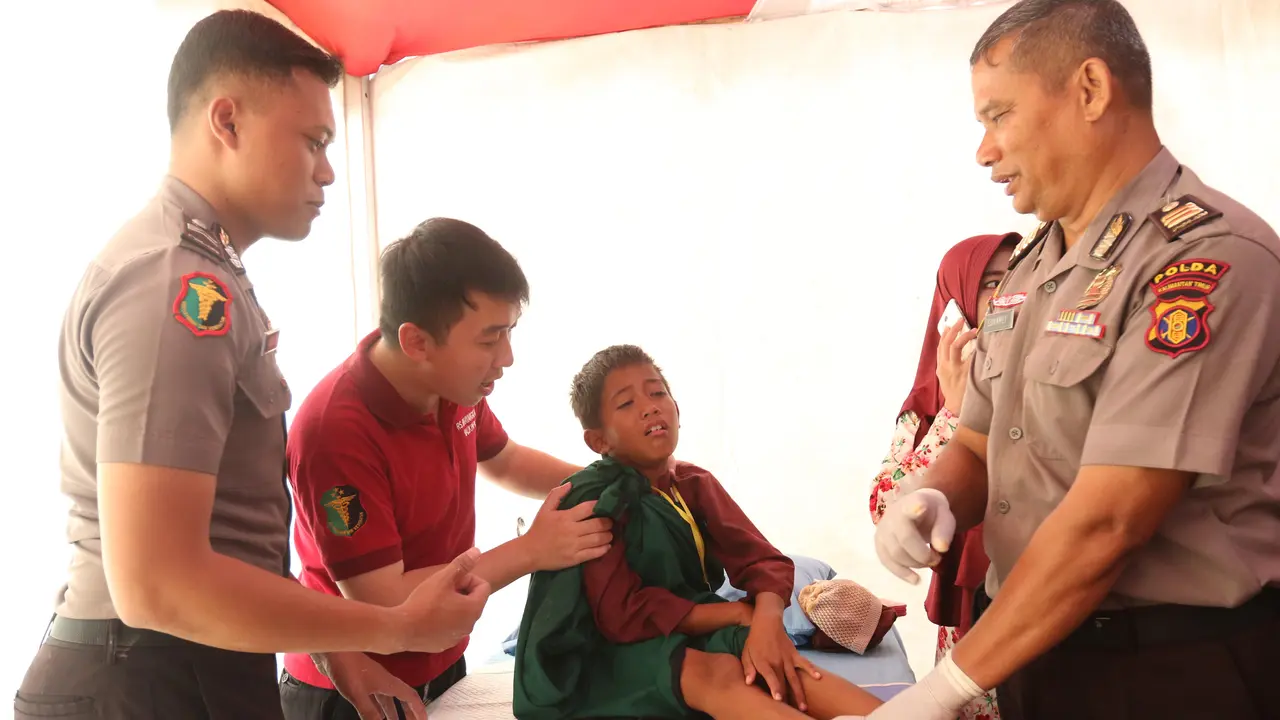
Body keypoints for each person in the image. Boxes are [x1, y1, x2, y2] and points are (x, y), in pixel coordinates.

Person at [14, 11, 489, 720]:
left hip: (190, 659)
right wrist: (393, 626)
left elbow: (233, 533)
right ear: (228, 121)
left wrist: (340, 653)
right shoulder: (176, 287)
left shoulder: (210, 273)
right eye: (313, 141)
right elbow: (157, 585)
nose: (328, 171)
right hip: (145, 672)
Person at [859, 1, 1280, 718]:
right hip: (1040, 656)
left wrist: (947, 686)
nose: (984, 150)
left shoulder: (1202, 261)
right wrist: (934, 495)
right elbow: (978, 440)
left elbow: (1109, 522)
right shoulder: (1031, 268)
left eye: (999, 116)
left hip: (1167, 672)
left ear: (1089, 89)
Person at [279, 217, 613, 719]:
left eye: (509, 332)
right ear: (417, 342)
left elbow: (505, 459)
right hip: (354, 686)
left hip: (441, 656)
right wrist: (533, 550)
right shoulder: (336, 431)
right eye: (489, 339)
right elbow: (382, 595)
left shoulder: (453, 388)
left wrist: (608, 477)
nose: (507, 358)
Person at [514, 345, 884, 719]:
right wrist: (738, 614)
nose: (650, 406)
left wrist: (765, 623)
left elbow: (762, 560)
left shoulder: (693, 484)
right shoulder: (595, 502)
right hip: (598, 655)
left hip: (679, 631)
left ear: (677, 410)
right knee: (713, 671)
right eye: (626, 404)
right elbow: (622, 615)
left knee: (763, 652)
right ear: (600, 441)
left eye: (658, 392)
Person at [869, 232, 1018, 720]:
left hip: (1047, 589)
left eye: (1016, 278)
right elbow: (885, 503)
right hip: (972, 611)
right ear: (954, 305)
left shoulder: (1045, 370)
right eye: (991, 282)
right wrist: (955, 412)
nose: (1006, 294)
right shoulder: (927, 405)